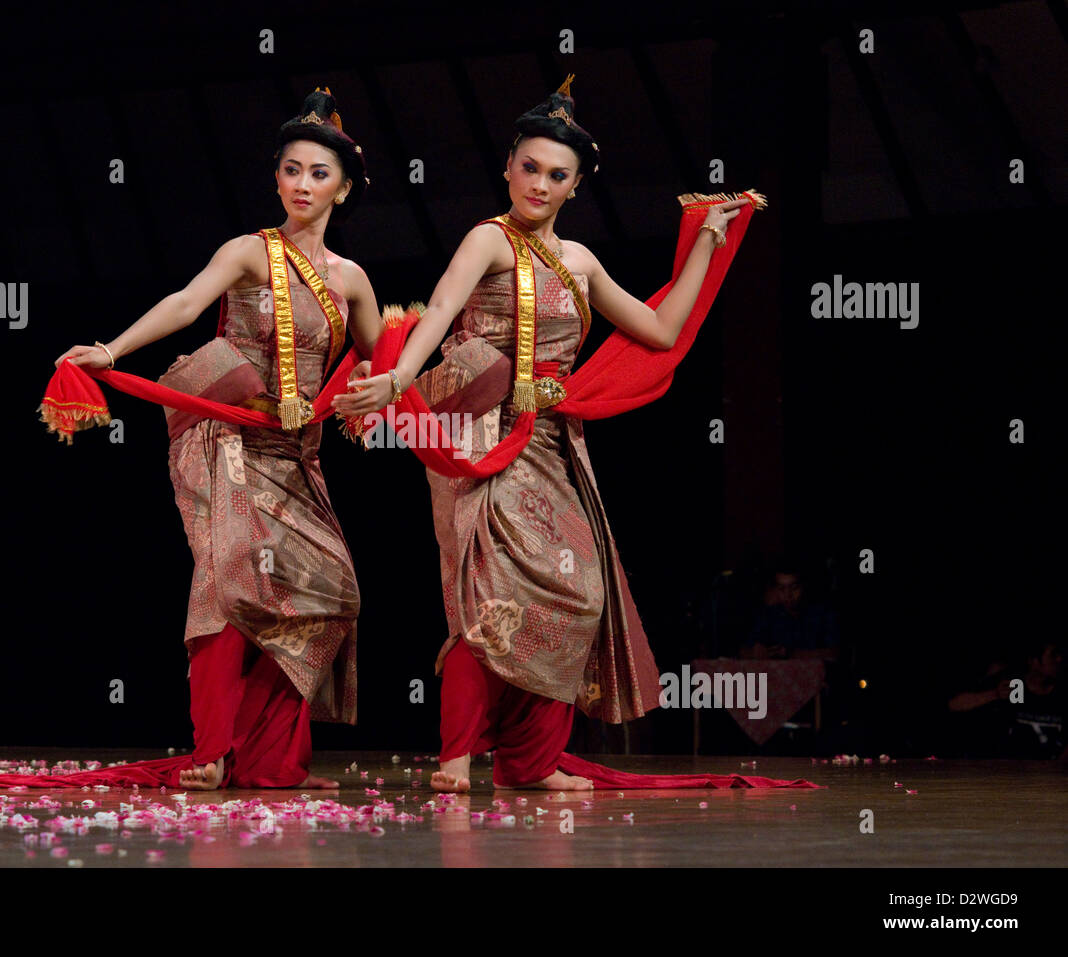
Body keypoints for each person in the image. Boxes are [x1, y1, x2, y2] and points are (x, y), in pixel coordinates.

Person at [332, 77, 806, 793]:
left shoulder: (580, 262)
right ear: (508, 167)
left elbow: (661, 329)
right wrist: (396, 383)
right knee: (486, 597)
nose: (540, 183)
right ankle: (457, 757)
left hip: (554, 443)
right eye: (530, 167)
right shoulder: (486, 239)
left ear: (576, 185)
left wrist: (707, 242)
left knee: (579, 592)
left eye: (558, 174)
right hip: (479, 439)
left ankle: (532, 758)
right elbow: (437, 316)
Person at [0, 89, 383, 795]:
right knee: (229, 583)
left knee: (331, 592)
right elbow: (188, 304)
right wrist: (112, 347)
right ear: (276, 178)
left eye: (318, 173)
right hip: (227, 439)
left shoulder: (352, 280)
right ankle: (210, 751)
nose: (302, 184)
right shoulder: (251, 252)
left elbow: (382, 358)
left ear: (343, 188)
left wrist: (384, 388)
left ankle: (267, 758)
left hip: (296, 452)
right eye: (291, 169)